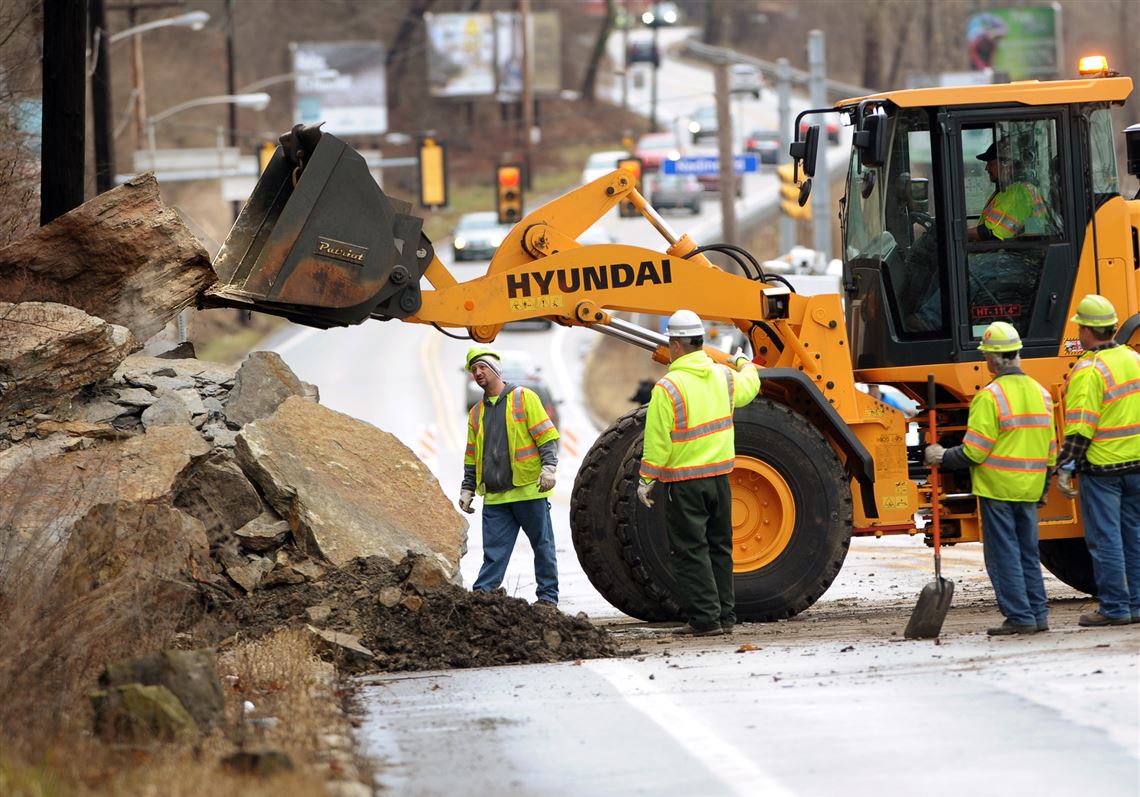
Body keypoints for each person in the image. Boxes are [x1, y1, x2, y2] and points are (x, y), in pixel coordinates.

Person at [925, 321, 1057, 635]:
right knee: (1028, 552)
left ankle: (1020, 618)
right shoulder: (1041, 393)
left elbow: (975, 452)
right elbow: (1051, 448)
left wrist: (941, 456)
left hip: (999, 489)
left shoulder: (990, 396)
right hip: (1030, 487)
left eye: (986, 356)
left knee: (1004, 555)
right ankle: (1037, 615)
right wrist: (1044, 485)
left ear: (994, 360)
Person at [636, 310, 761, 636]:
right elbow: (750, 386)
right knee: (720, 547)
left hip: (685, 483)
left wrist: (646, 479)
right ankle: (725, 617)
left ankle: (706, 621)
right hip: (720, 479)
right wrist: (743, 363)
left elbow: (658, 442)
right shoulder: (723, 377)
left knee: (691, 552)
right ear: (700, 341)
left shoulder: (668, 387)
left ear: (675, 344)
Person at [1054, 294, 1140, 627]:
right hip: (1136, 466)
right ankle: (1135, 603)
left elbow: (1079, 428)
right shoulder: (1132, 359)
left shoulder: (1089, 371)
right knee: (1132, 534)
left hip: (1103, 470)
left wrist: (1066, 467)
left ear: (1089, 331)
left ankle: (1115, 608)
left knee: (1105, 539)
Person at [459, 345, 561, 608]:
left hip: (528, 489)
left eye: (482, 367)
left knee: (543, 546)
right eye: (474, 370)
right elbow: (472, 456)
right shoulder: (476, 413)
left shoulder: (523, 398)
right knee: (494, 554)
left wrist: (548, 468)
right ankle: (482, 599)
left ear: (495, 369)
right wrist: (467, 488)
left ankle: (547, 599)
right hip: (495, 495)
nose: (478, 373)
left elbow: (546, 436)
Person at [968, 141, 1048, 242]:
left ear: (1006, 165)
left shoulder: (1019, 192)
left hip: (1022, 254)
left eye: (990, 163)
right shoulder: (1006, 190)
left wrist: (960, 234)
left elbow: (989, 233)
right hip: (1017, 250)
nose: (986, 168)